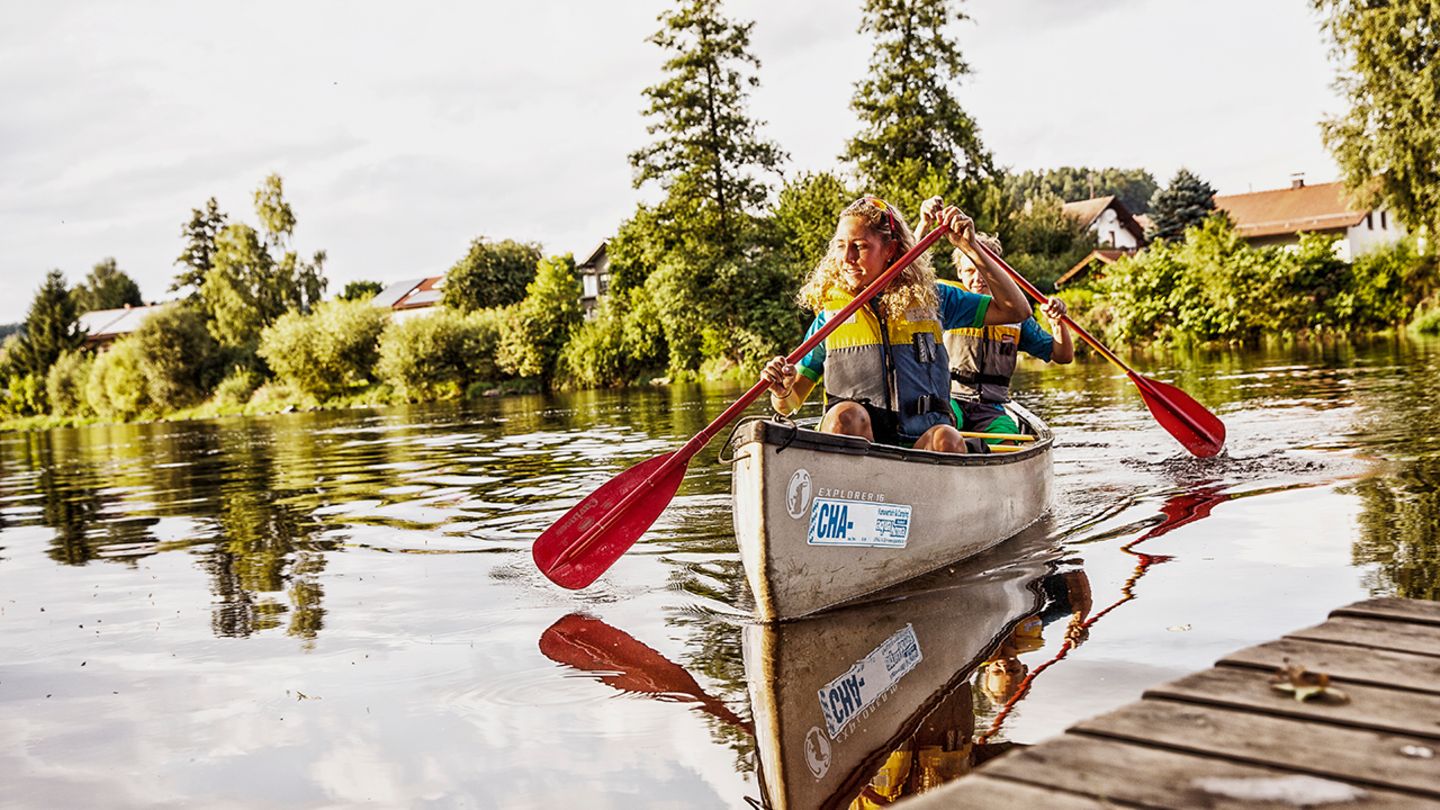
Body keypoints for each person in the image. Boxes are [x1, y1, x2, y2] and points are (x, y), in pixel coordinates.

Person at [761, 196, 1031, 452]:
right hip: (855, 451)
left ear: (890, 250)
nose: (847, 258)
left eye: (859, 246)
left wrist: (971, 248)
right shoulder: (829, 318)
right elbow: (788, 405)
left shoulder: (935, 299)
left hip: (918, 445)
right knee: (846, 416)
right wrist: (782, 391)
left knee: (947, 438)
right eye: (841, 246)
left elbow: (1016, 310)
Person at [919, 197, 1074, 439]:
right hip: (951, 401)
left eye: (984, 270)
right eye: (970, 271)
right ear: (959, 272)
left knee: (1007, 436)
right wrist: (924, 225)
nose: (978, 278)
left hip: (992, 408)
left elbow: (1062, 356)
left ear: (998, 271)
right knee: (942, 429)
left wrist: (1057, 324)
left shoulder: (1017, 316)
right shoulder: (946, 303)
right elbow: (908, 274)